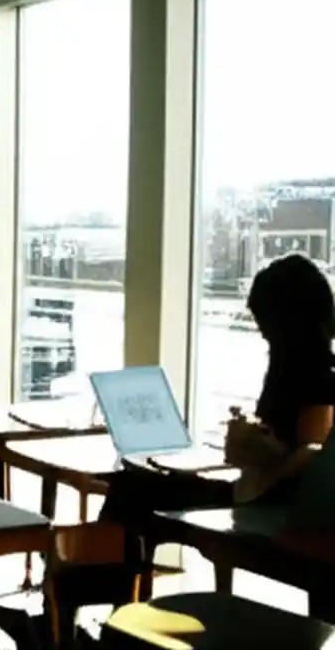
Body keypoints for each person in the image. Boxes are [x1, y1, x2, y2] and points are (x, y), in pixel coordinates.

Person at [58, 253, 335, 619]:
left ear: (286, 322)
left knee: (134, 491)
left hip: (262, 502)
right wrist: (255, 438)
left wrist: (261, 448)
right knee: (135, 488)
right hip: (254, 490)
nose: (262, 333)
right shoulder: (296, 369)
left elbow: (309, 455)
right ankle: (93, 604)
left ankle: (78, 606)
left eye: (265, 324)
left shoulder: (318, 380)